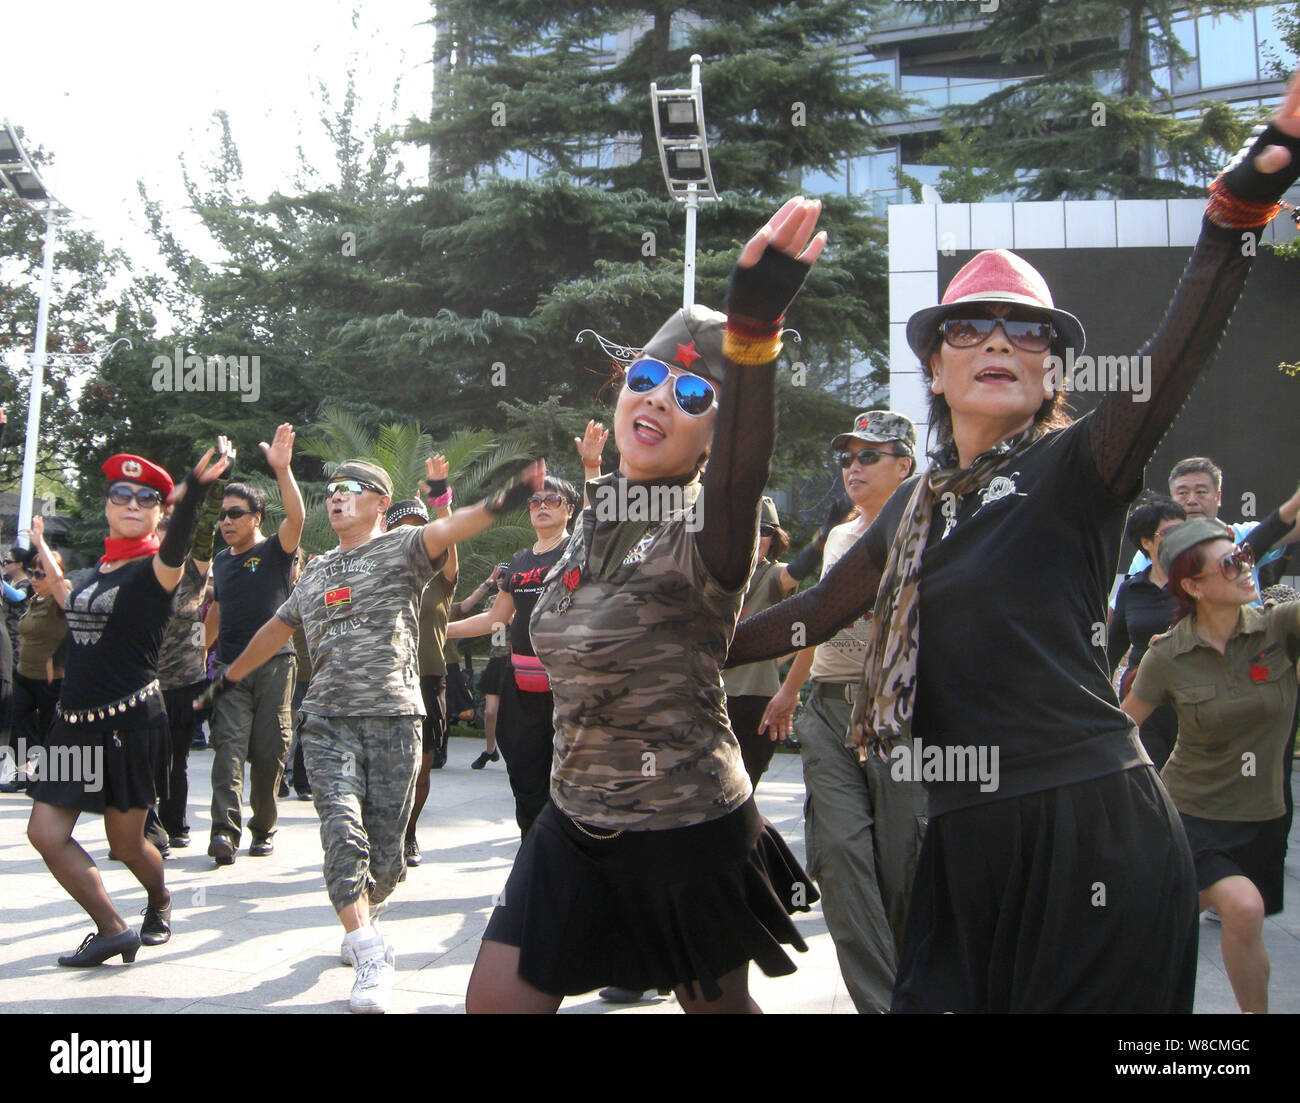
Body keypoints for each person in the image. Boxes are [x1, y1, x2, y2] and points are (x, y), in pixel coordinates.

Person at [727, 85, 1300, 1011]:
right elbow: (808, 614)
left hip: (1092, 824)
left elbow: (1169, 362)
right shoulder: (914, 505)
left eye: (1027, 330)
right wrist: (664, 649)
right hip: (964, 838)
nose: (998, 339)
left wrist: (1237, 213)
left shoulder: (1081, 465)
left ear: (1051, 371)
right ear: (936, 364)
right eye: (969, 326)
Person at [465, 196, 825, 1014]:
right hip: (572, 819)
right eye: (647, 379)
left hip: (686, 825)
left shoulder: (714, 527)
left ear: (714, 434)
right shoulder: (595, 517)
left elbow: (743, 472)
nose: (660, 398)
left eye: (695, 394)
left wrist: (756, 332)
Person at [196, 457, 543, 1013]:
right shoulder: (315, 571)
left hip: (396, 717)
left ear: (381, 502)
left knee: (385, 857)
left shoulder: (404, 549)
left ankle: (365, 909)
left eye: (350, 490)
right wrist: (228, 673)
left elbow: (454, 526)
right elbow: (277, 628)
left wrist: (505, 499)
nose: (335, 499)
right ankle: (369, 950)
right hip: (327, 718)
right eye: (330, 491)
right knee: (340, 832)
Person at [25, 443, 232, 966]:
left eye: (147, 498)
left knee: (126, 845)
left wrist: (193, 490)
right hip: (71, 725)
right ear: (107, 503)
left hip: (130, 725)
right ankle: (112, 927)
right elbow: (63, 591)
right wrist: (41, 546)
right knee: (45, 834)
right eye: (122, 494)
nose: (133, 503)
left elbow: (178, 542)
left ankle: (159, 899)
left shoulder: (156, 572)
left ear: (160, 513)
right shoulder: (95, 572)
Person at [754, 409, 925, 1014]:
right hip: (828, 707)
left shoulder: (936, 531)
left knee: (903, 863)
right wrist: (791, 687)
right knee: (842, 856)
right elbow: (820, 621)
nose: (853, 467)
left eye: (868, 456)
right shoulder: (840, 537)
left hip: (899, 713)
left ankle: (914, 986)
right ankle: (884, 1007)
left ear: (904, 466)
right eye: (847, 458)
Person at [1122, 520, 1300, 1013]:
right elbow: (1122, 727)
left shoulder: (1281, 627)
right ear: (1193, 585)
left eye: (1243, 557)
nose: (1244, 569)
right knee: (1244, 908)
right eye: (1229, 563)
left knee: (1234, 927)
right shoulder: (1168, 655)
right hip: (1192, 814)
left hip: (1264, 816)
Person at [447, 476, 581, 838]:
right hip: (520, 682)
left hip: (567, 686)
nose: (541, 506)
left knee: (568, 777)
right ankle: (532, 851)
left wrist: (592, 464)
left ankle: (564, 858)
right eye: (534, 501)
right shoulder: (519, 562)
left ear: (570, 509)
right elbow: (495, 619)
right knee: (524, 773)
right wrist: (441, 630)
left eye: (551, 500)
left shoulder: (580, 554)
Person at [203, 424, 305, 865]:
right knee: (226, 747)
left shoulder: (276, 552)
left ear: (257, 518)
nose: (226, 521)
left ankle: (262, 826)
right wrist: (202, 652)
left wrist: (282, 471)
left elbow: (297, 519)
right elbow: (219, 611)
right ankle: (223, 833)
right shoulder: (221, 564)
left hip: (276, 665)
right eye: (224, 514)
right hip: (230, 667)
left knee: (268, 753)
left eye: (236, 514)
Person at [387, 455, 460, 866]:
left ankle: (408, 833)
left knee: (422, 769)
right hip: (386, 678)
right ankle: (384, 835)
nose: (412, 536)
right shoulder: (378, 573)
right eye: (402, 529)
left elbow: (449, 533)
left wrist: (438, 494)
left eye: (420, 528)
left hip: (428, 679)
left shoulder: (442, 575)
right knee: (386, 767)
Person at [1113, 458, 1300, 602]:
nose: (1192, 500)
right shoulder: (1155, 547)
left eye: (1201, 492)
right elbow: (1122, 608)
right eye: (1183, 493)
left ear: (1218, 497)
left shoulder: (1244, 534)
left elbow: (1288, 527)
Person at [155, 480, 227, 848]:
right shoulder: (141, 575)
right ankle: (142, 828)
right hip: (143, 684)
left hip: (183, 682)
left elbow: (202, 619)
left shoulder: (194, 572)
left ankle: (175, 825)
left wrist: (214, 487)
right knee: (141, 757)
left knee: (175, 758)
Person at [9, 545, 69, 791]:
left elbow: (60, 585)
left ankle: (45, 780)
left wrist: (40, 542)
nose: (33, 579)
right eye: (32, 573)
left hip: (50, 680)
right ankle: (25, 770)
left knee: (49, 730)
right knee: (10, 720)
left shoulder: (59, 600)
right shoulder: (36, 600)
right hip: (24, 674)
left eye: (40, 574)